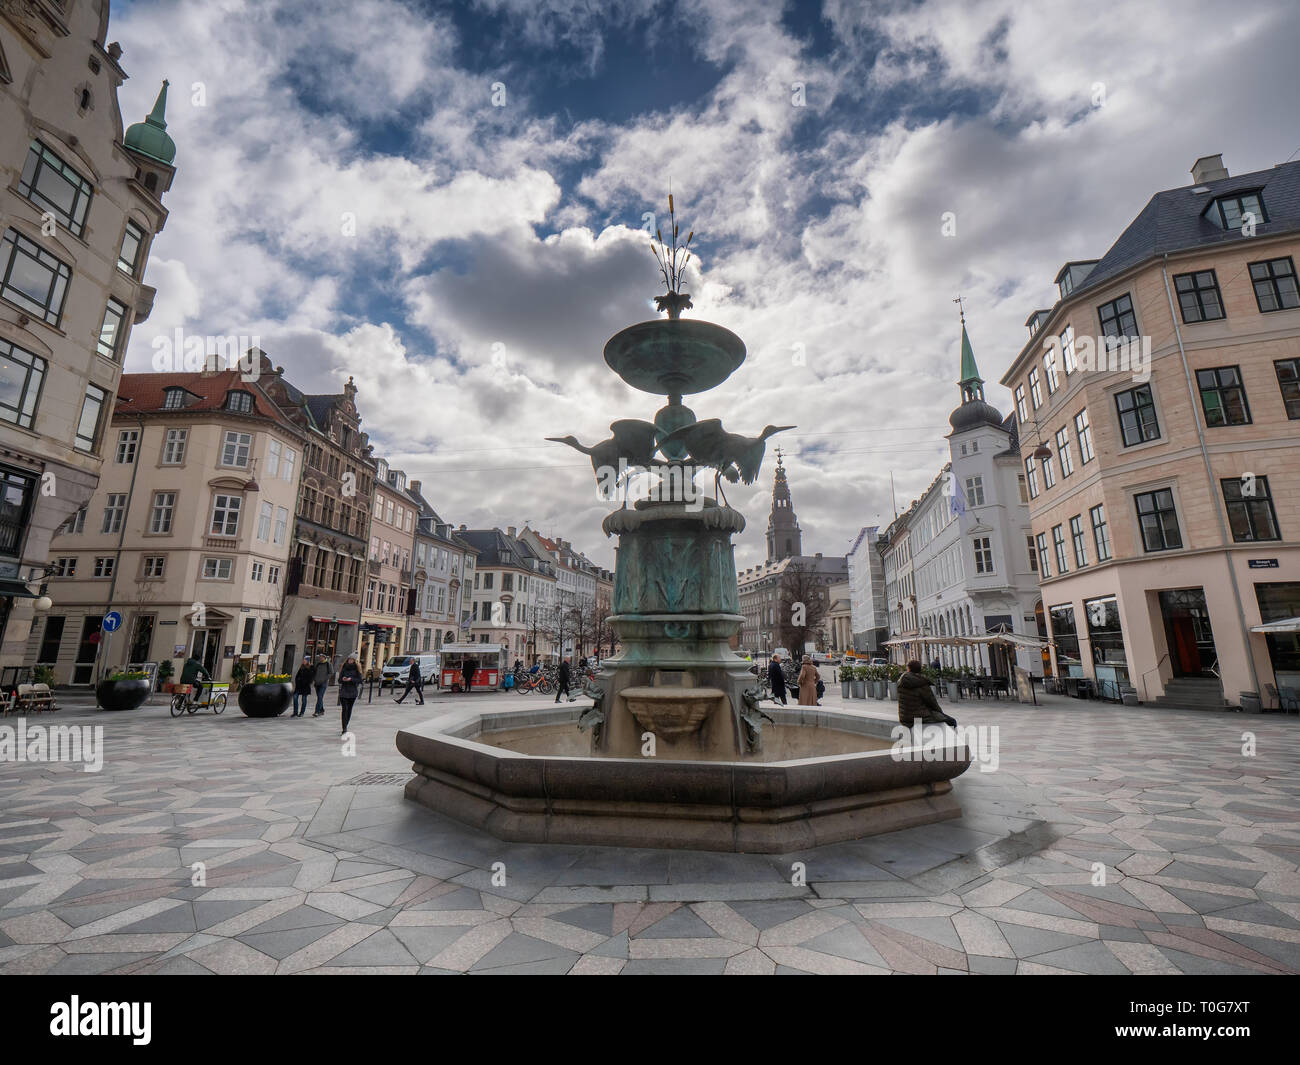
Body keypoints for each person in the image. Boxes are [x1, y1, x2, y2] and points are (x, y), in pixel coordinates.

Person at [897, 660, 957, 727]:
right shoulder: (921, 683)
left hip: (904, 718)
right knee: (952, 721)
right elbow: (932, 702)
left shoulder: (901, 682)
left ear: (908, 669)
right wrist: (941, 714)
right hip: (919, 717)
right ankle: (954, 737)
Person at [338, 655, 363, 735]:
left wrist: (351, 679)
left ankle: (346, 724)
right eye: (349, 659)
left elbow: (360, 680)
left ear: (354, 660)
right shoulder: (344, 667)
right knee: (344, 709)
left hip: (352, 691)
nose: (350, 660)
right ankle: (344, 727)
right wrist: (343, 679)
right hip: (344, 691)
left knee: (349, 709)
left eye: (352, 659)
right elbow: (339, 680)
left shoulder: (357, 668)